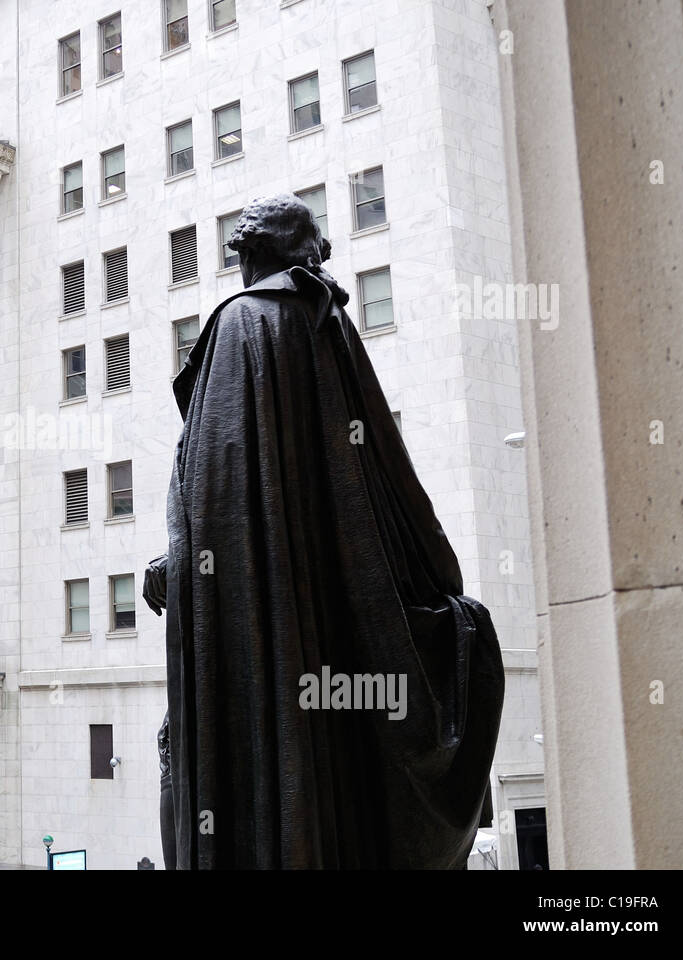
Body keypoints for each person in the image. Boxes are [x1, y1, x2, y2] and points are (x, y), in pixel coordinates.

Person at [144, 194, 504, 869]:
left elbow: (218, 483)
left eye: (241, 248)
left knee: (197, 753)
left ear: (253, 252)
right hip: (315, 628)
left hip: (256, 631)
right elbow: (381, 483)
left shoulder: (245, 323)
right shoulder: (327, 325)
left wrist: (184, 562)